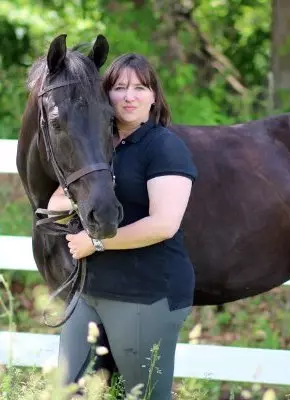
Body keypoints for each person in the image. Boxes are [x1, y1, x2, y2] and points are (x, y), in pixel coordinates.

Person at [47, 53, 197, 399]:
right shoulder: (97, 145)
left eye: (140, 88)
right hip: (89, 291)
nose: (129, 96)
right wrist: (85, 199)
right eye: (119, 87)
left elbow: (163, 224)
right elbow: (55, 203)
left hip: (145, 291)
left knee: (143, 395)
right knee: (66, 390)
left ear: (154, 96)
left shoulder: (164, 147)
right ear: (105, 95)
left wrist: (96, 243)